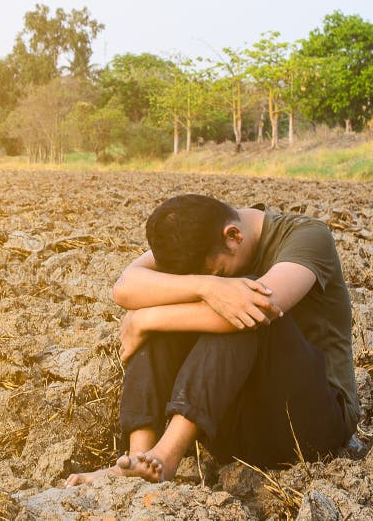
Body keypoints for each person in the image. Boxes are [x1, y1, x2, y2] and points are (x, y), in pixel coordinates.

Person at [65, 194, 360, 486]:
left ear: (233, 236)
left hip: (313, 428)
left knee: (247, 308)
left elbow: (260, 309)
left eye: (215, 271)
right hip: (236, 426)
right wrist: (207, 285)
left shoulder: (308, 236)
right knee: (197, 303)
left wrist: (145, 319)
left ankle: (168, 455)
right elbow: (125, 287)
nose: (213, 281)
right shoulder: (198, 236)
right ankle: (139, 459)